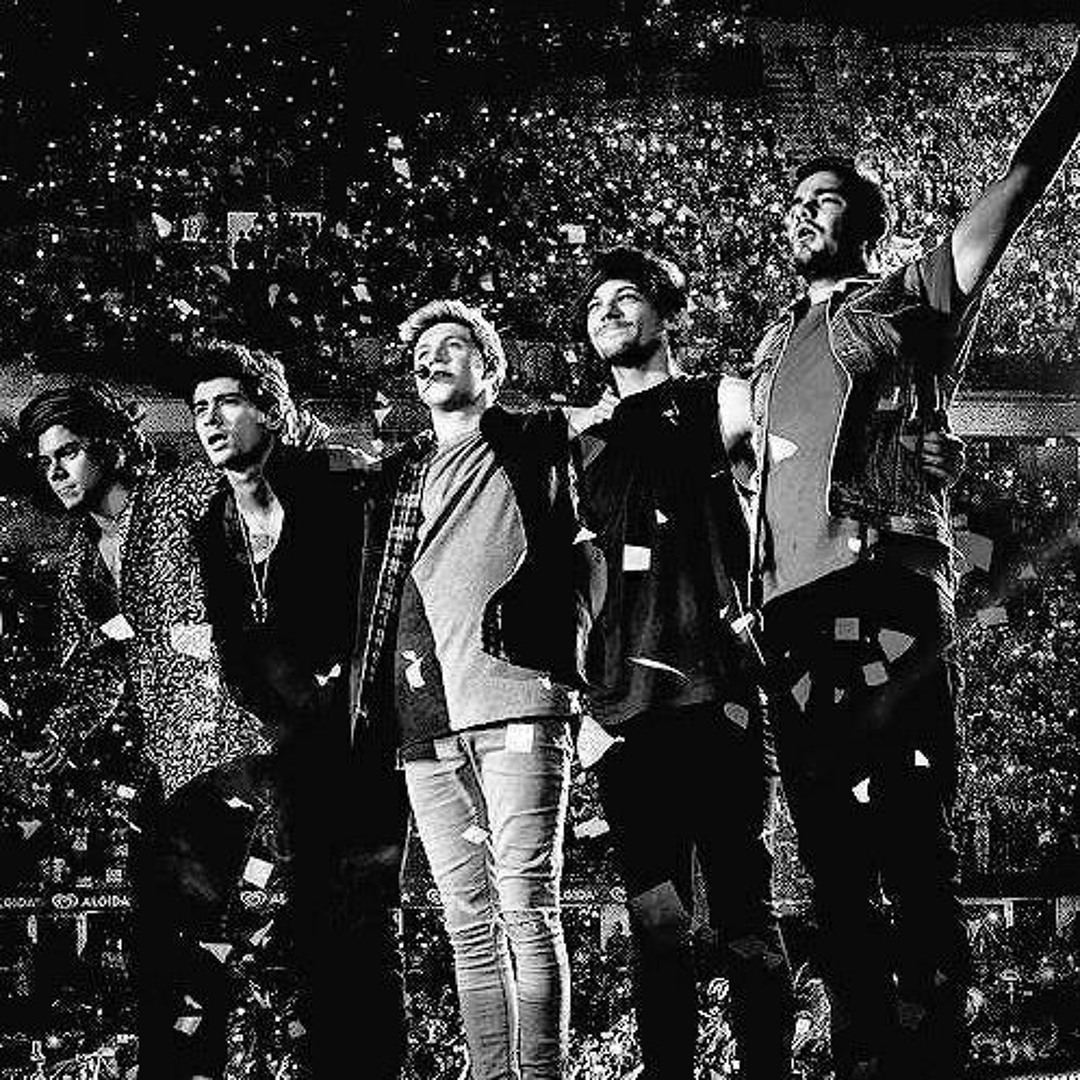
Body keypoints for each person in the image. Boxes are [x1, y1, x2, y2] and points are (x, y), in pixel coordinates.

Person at [743, 41, 1080, 1080]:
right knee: (828, 854)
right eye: (793, 203)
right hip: (789, 611)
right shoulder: (768, 349)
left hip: (882, 581)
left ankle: (933, 1051)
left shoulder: (908, 301)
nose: (801, 213)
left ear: (866, 222)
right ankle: (862, 1051)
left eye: (824, 198)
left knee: (908, 828)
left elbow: (1016, 188)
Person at [348, 299, 602, 1079]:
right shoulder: (398, 478)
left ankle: (542, 1073)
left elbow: (623, 427)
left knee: (525, 905)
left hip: (519, 699)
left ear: (491, 368)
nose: (430, 358)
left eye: (451, 345)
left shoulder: (537, 438)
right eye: (420, 352)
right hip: (425, 719)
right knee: (466, 920)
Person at [574, 246, 795, 1080]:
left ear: (669, 314)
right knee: (656, 926)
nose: (607, 310)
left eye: (627, 296)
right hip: (625, 719)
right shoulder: (585, 443)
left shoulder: (720, 401)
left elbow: (799, 458)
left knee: (745, 913)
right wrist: (581, 700)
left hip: (720, 699)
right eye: (594, 303)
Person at [17, 382, 273, 1080]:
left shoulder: (183, 497)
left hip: (232, 746)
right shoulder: (80, 566)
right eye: (45, 462)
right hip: (164, 766)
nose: (57, 471)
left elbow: (269, 538)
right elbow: (103, 665)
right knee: (156, 945)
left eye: (69, 452)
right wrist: (61, 734)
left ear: (108, 445)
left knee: (201, 940)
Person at [186, 341, 408, 1079]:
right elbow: (232, 647)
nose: (210, 419)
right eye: (199, 408)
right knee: (311, 929)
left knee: (366, 923)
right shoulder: (212, 525)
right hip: (289, 752)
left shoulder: (336, 484)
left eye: (227, 401)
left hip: (363, 736)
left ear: (271, 410)